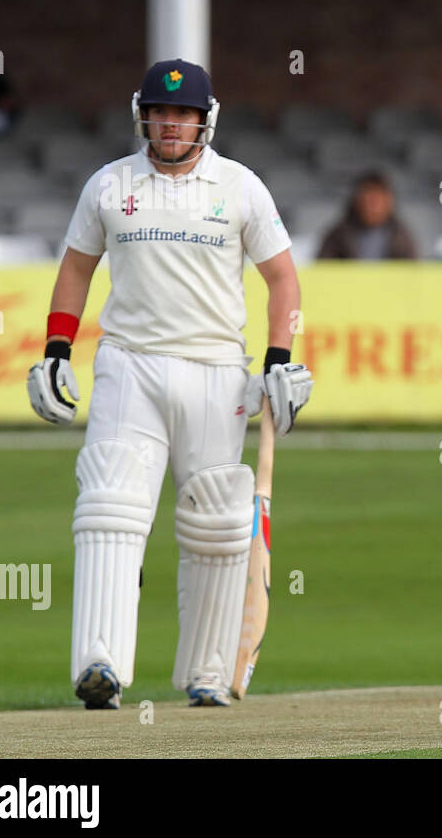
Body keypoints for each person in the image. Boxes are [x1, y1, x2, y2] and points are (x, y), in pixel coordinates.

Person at [26, 58, 314, 709]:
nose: (172, 124)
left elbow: (284, 279)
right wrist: (55, 349)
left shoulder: (239, 188)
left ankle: (210, 672)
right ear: (143, 116)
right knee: (110, 508)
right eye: (161, 112)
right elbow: (75, 269)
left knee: (214, 523)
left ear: (205, 120)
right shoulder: (110, 185)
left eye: (184, 114)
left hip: (216, 372)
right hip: (130, 366)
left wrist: (276, 359)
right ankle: (100, 664)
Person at [317, 171, 418, 260]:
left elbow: (413, 273)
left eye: (377, 200)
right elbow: (321, 271)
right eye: (368, 199)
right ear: (357, 201)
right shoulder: (338, 236)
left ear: (389, 202)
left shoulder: (401, 237)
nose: (372, 206)